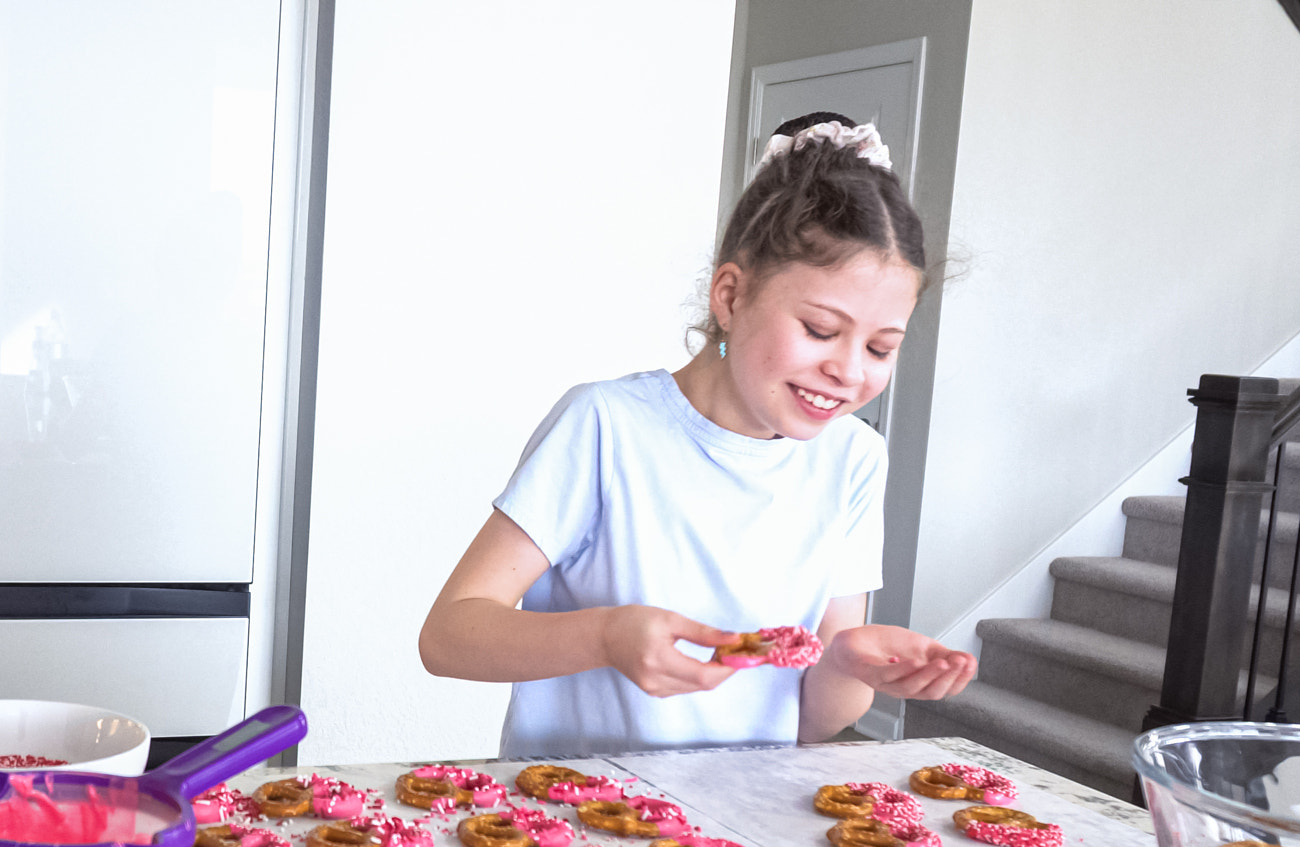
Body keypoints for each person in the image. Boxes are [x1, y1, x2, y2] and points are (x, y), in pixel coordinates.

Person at [417, 112, 977, 759]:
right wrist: (605, 637)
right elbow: (448, 636)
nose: (849, 371)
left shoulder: (853, 459)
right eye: (821, 330)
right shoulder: (606, 427)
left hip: (739, 831)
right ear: (731, 297)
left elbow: (809, 724)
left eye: (881, 347)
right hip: (571, 832)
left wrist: (848, 663)